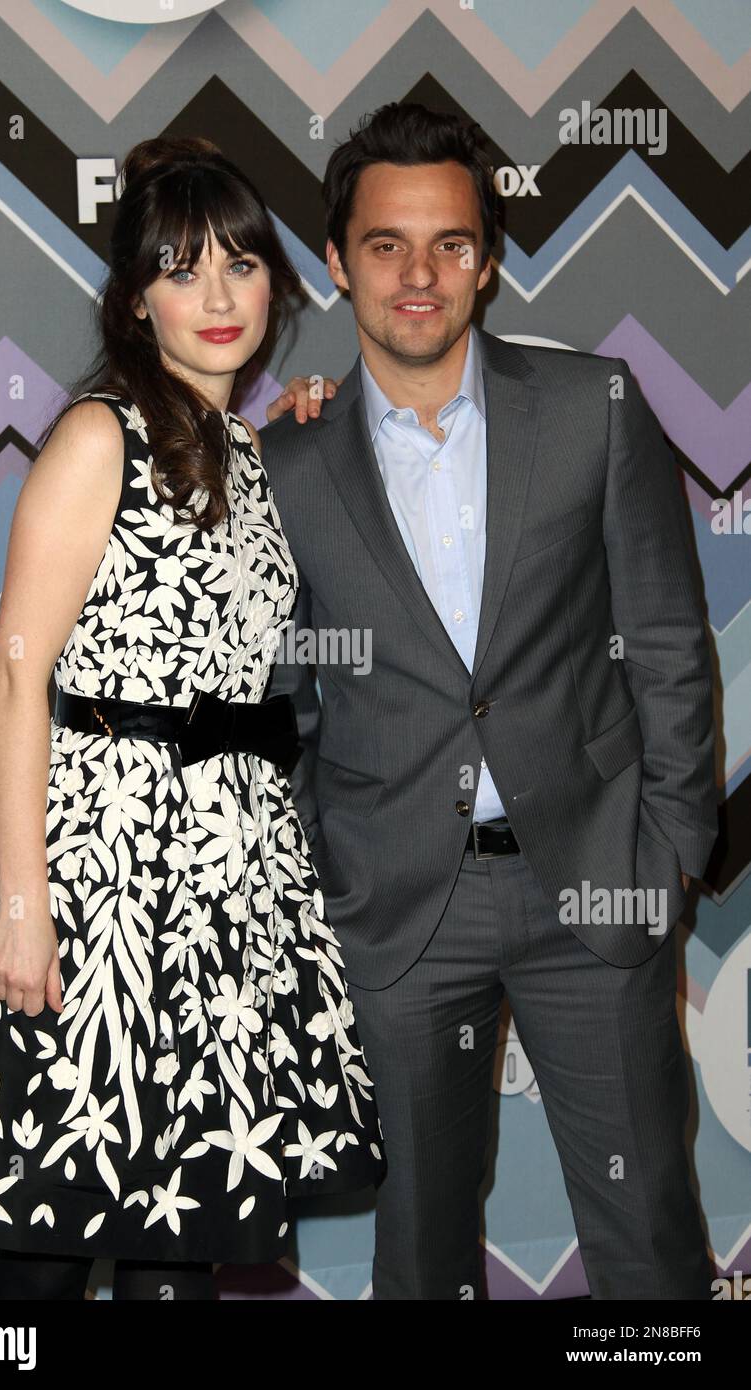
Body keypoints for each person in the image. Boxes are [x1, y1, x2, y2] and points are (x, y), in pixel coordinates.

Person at [0, 135, 385, 1301]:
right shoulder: (97, 434)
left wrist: (306, 418)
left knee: (189, 1240)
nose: (216, 297)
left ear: (279, 282)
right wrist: (23, 906)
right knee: (53, 1231)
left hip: (223, 890)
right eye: (180, 267)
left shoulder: (258, 454)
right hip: (95, 878)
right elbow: (20, 675)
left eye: (241, 264)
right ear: (133, 298)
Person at [261, 102, 718, 1300]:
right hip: (395, 909)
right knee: (415, 1251)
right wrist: (323, 882)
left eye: (449, 244)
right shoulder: (286, 469)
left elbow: (667, 639)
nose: (417, 274)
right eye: (384, 244)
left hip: (595, 886)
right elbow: (283, 707)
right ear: (335, 263)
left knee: (650, 1240)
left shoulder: (592, 411)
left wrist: (668, 847)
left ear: (487, 262)